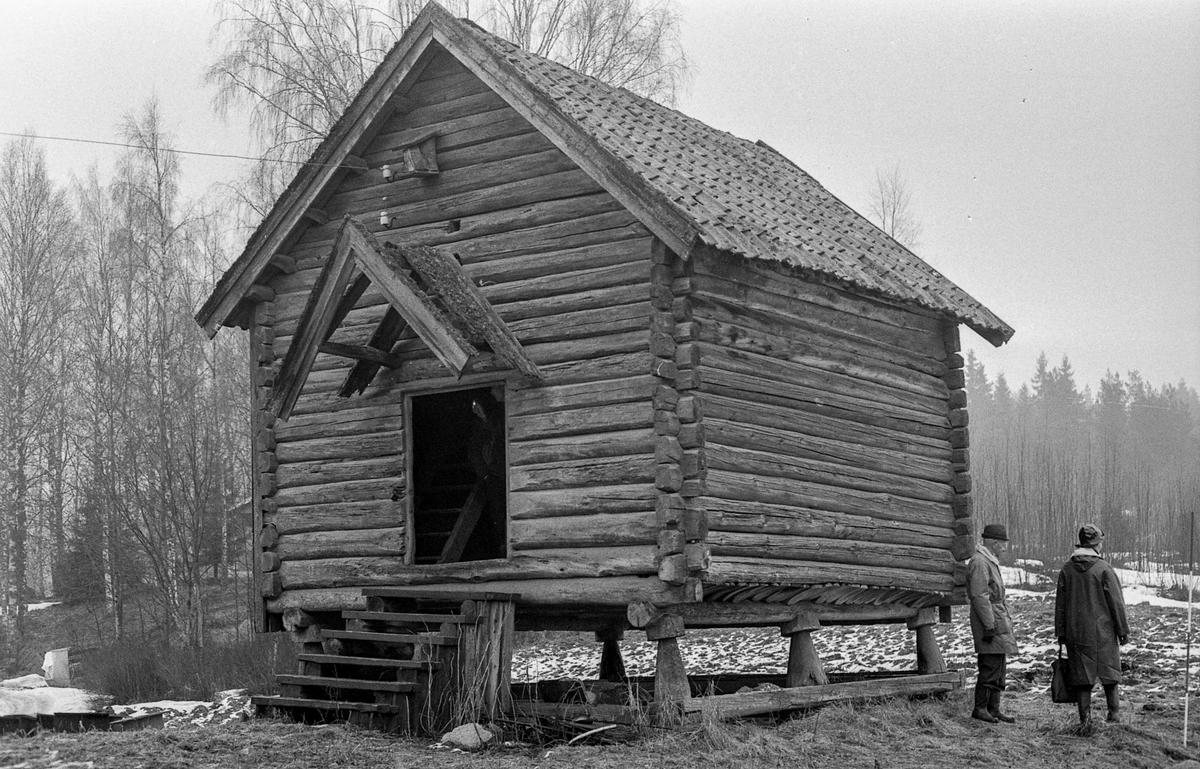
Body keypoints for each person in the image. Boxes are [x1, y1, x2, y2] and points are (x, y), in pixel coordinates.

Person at [1055, 523, 1129, 730]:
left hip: (1075, 633)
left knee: (1081, 677)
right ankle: (1114, 716)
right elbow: (1116, 602)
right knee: (1110, 673)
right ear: (1095, 544)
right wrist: (1123, 630)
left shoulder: (1066, 569)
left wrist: (1061, 635)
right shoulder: (1104, 569)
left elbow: (1059, 605)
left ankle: (1085, 721)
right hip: (1103, 631)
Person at [967, 523, 1019, 723]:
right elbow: (979, 596)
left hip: (996, 616)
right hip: (989, 620)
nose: (1005, 548)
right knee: (989, 665)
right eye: (1003, 544)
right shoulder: (980, 562)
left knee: (998, 664)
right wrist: (989, 625)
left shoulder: (988, 560)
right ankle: (980, 709)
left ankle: (993, 708)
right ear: (994, 543)